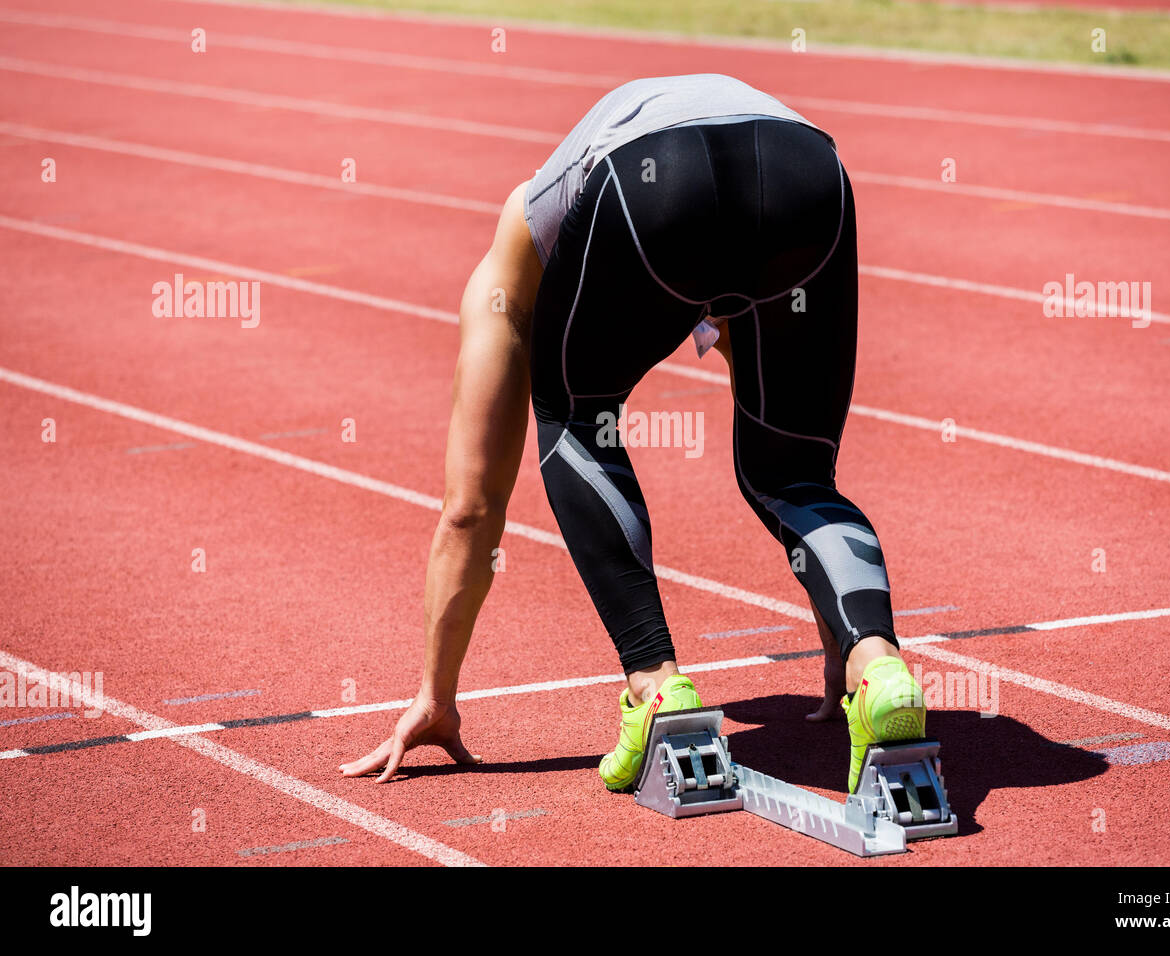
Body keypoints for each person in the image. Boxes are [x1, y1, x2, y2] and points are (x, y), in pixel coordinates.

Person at [341, 74, 925, 796]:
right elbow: (778, 433)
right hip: (808, 171)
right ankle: (879, 665)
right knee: (795, 473)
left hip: (654, 184)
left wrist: (436, 695)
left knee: (577, 425)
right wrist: (840, 630)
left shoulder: (509, 270)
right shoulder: (572, 240)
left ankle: (655, 685)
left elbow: (472, 506)